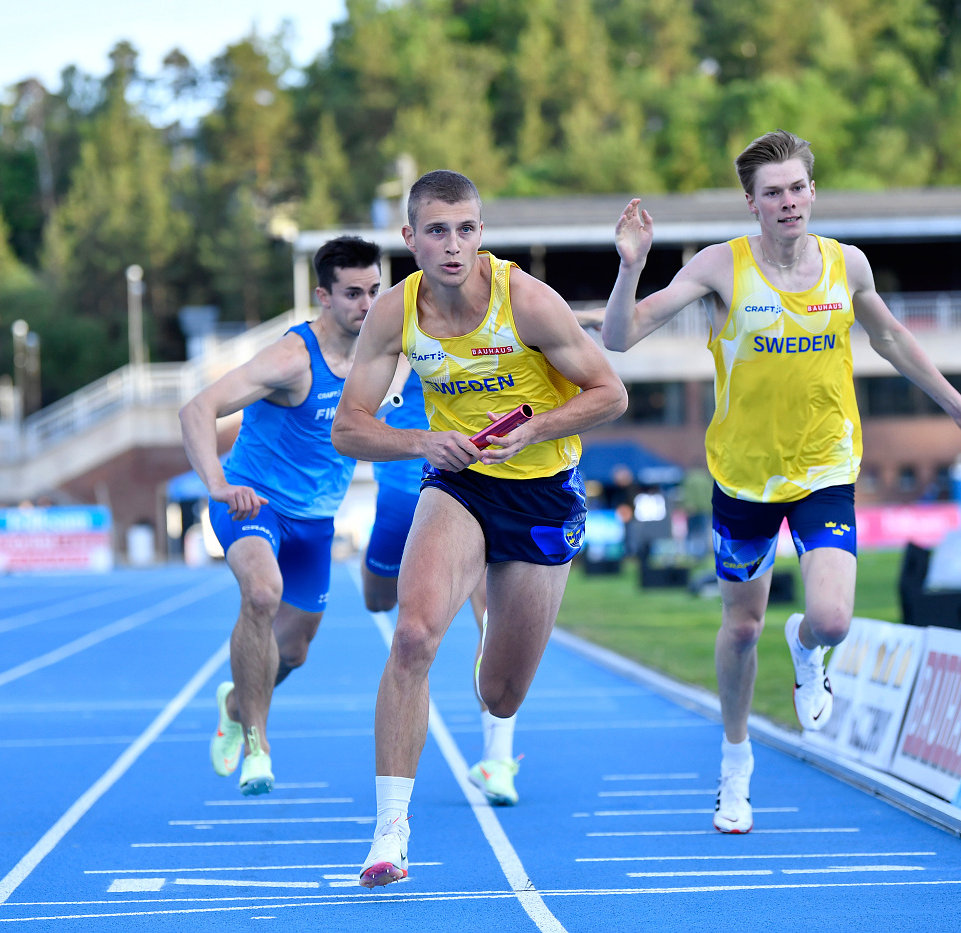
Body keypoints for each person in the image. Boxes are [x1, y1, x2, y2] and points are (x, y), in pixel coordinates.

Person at [601, 129, 961, 835]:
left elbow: (891, 340)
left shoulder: (846, 266)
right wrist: (632, 265)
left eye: (797, 188)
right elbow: (619, 336)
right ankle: (735, 764)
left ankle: (809, 648)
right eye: (772, 193)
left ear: (813, 192)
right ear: (751, 203)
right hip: (744, 478)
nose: (788, 202)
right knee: (741, 624)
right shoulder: (720, 267)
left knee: (832, 618)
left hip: (824, 466)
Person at [333, 169, 627, 887]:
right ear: (411, 239)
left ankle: (495, 703)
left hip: (542, 495)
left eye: (466, 228)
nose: (453, 244)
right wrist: (422, 443)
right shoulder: (395, 313)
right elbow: (349, 427)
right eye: (437, 230)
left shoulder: (526, 300)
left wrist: (535, 431)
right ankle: (389, 834)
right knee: (411, 636)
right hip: (458, 484)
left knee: (500, 693)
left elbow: (610, 393)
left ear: (481, 233)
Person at [179, 236, 382, 796]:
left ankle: (236, 702)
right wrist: (218, 485)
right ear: (323, 295)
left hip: (315, 524)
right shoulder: (292, 359)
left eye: (373, 291)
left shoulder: (384, 350)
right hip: (254, 504)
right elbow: (197, 408)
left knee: (292, 651)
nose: (365, 306)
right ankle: (256, 747)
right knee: (262, 595)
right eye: (351, 294)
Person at [361, 366, 508, 804]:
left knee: (490, 616)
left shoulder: (487, 332)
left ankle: (498, 759)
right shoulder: (397, 330)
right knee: (378, 600)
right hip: (400, 491)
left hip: (463, 492)